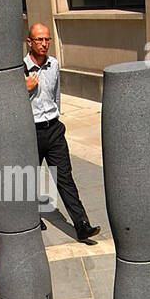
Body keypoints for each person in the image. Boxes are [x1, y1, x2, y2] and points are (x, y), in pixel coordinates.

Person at [25, 23, 100, 242]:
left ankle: (81, 225)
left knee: (65, 177)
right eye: (39, 39)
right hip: (32, 132)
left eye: (47, 39)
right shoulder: (20, 69)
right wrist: (24, 88)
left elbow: (55, 95)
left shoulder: (54, 64)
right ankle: (30, 218)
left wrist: (55, 116)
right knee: (28, 177)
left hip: (54, 129)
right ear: (29, 42)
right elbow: (11, 106)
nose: (44, 43)